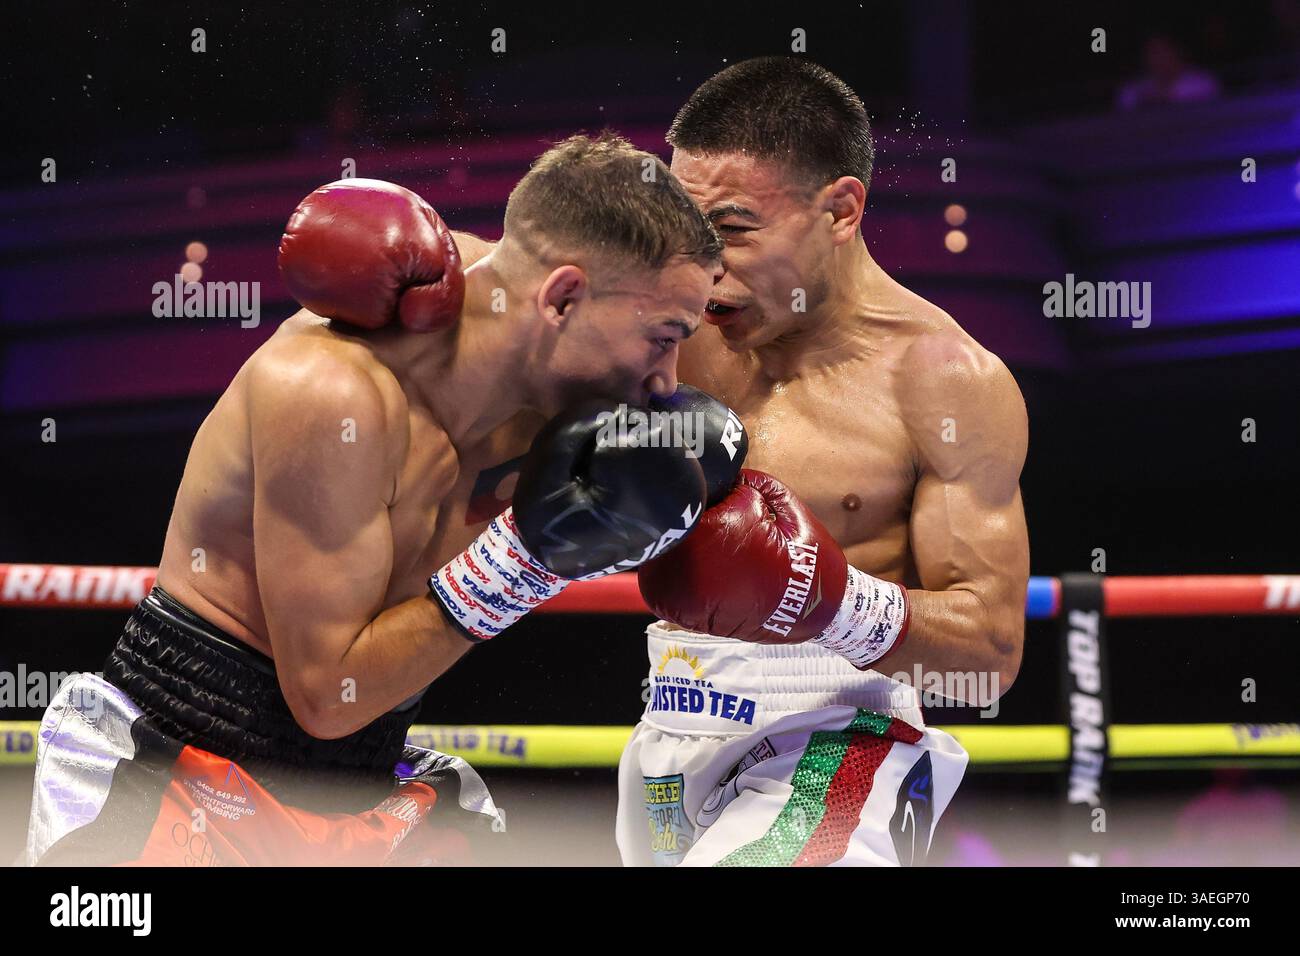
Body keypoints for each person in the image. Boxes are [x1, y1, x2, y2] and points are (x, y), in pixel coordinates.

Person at [25, 132, 723, 866]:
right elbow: (330, 697)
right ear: (563, 298)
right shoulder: (334, 393)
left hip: (367, 783)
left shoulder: (546, 346)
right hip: (176, 775)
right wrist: (527, 561)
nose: (668, 380)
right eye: (664, 337)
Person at [616, 57, 1030, 867]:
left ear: (841, 209)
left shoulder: (942, 381)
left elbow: (991, 647)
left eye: (732, 232)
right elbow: (516, 291)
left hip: (842, 738)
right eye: (687, 235)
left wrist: (826, 600)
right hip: (668, 727)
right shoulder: (671, 332)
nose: (705, 267)